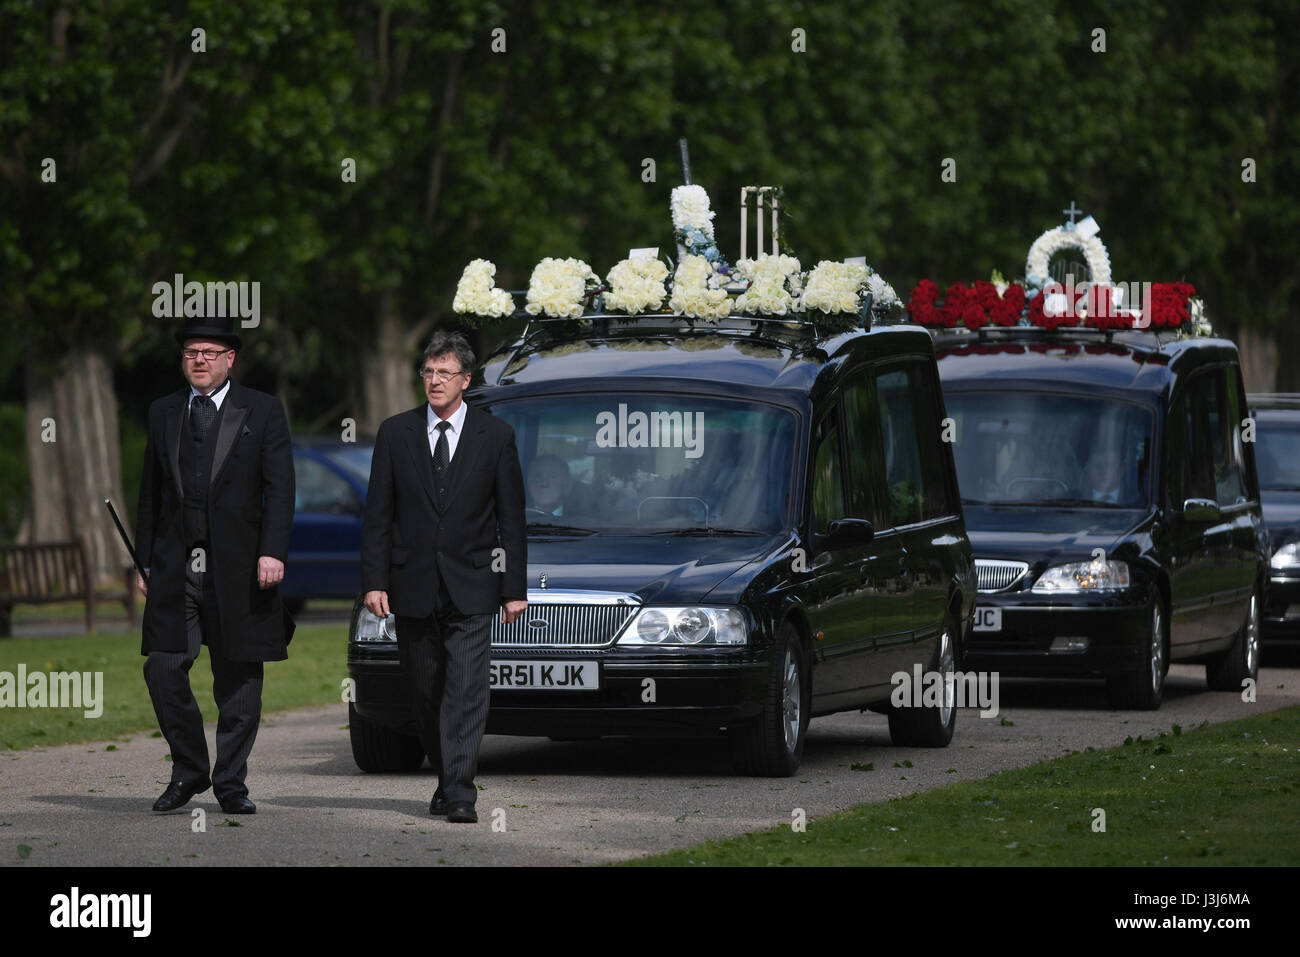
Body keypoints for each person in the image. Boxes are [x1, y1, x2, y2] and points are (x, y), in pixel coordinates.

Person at [361, 330, 527, 823]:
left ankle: (459, 790)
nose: (434, 381)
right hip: (411, 586)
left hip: (474, 586)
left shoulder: (496, 436)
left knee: (466, 689)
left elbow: (510, 519)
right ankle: (445, 774)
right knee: (425, 690)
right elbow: (378, 516)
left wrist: (512, 588)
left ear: (466, 380)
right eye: (429, 373)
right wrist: (374, 581)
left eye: (445, 373)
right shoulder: (396, 433)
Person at [136, 315, 295, 815]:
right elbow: (151, 496)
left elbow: (280, 488)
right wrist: (143, 563)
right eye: (190, 353)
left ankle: (231, 783)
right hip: (175, 566)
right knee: (162, 668)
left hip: (242, 568)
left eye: (208, 353)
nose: (198, 361)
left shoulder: (263, 410)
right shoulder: (163, 412)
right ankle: (189, 768)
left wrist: (273, 550)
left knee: (239, 681)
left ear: (230, 360)